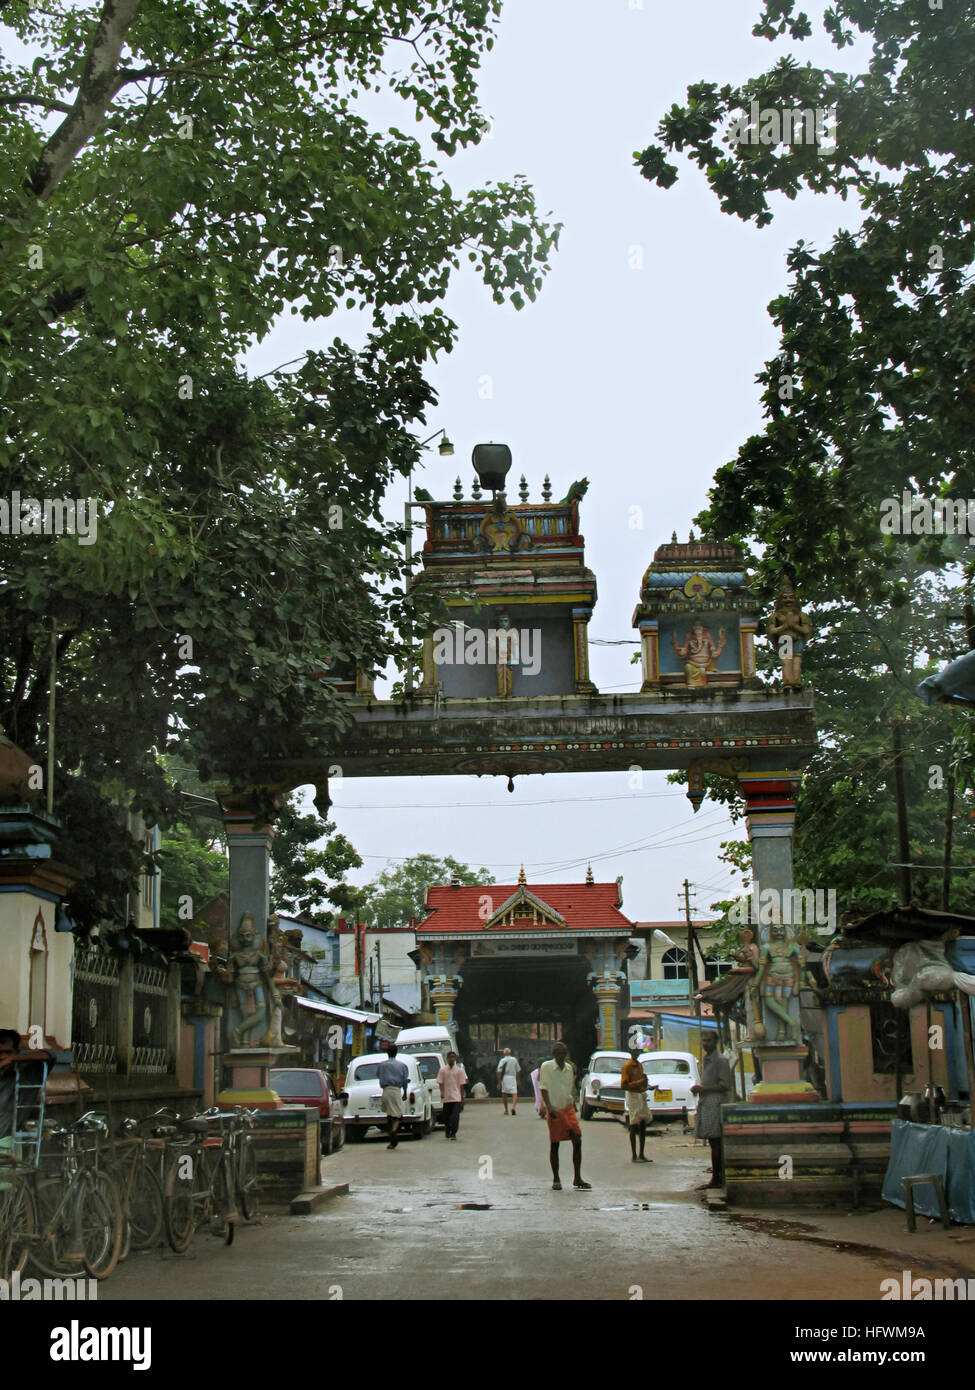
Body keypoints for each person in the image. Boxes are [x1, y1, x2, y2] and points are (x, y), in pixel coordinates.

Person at [539, 1042, 590, 1191]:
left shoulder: (569, 1069)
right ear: (554, 1054)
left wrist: (573, 1103)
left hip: (567, 1108)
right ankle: (556, 1178)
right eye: (558, 1053)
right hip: (554, 1108)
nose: (561, 1056)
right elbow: (544, 1088)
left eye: (564, 1053)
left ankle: (577, 1177)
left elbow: (570, 1088)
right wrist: (548, 1107)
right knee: (555, 1143)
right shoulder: (546, 1067)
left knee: (577, 1139)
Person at [691, 1032, 733, 1189]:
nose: (705, 1043)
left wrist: (703, 1088)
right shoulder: (707, 1059)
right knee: (712, 1141)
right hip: (706, 1102)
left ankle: (717, 1178)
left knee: (716, 1141)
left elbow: (724, 1085)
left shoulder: (720, 1061)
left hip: (715, 1103)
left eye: (708, 1040)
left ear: (715, 1041)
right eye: (703, 1040)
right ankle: (717, 1176)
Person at [0, 1028, 53, 1147]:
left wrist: (12, 1060)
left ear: (17, 1052)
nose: (3, 1056)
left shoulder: (27, 1072)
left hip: (7, 1142)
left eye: (8, 1052)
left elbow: (48, 1056)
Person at [621, 1044, 658, 1163]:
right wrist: (639, 1082)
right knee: (633, 1124)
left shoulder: (640, 1065)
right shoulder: (627, 1067)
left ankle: (641, 1154)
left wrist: (649, 1086)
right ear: (630, 1051)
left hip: (641, 1095)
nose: (636, 1052)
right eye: (634, 1050)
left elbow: (643, 1083)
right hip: (632, 1096)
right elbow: (624, 1085)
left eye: (638, 1050)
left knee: (643, 1124)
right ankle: (634, 1155)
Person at [377, 1043, 410, 1150]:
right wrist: (405, 1091)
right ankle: (394, 1131)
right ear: (396, 1053)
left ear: (387, 1053)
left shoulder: (382, 1065)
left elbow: (378, 1075)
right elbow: (405, 1079)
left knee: (389, 1113)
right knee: (397, 1115)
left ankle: (391, 1140)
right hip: (396, 1090)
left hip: (385, 1090)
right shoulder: (401, 1065)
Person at [436, 1051, 468, 1141]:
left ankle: (453, 1133)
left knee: (455, 1116)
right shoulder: (443, 1070)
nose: (451, 1059)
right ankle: (447, 1130)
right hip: (447, 1097)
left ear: (455, 1059)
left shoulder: (459, 1070)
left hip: (456, 1097)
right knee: (446, 1117)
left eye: (453, 1057)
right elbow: (440, 1082)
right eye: (450, 1057)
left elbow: (461, 1085)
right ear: (447, 1058)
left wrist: (462, 1097)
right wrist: (442, 1092)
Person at [497, 1047, 520, 1115]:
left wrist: (499, 1082)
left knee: (504, 1093)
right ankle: (513, 1107)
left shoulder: (502, 1060)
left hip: (505, 1078)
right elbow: (518, 1070)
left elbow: (499, 1071)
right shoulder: (514, 1059)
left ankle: (506, 1110)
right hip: (512, 1077)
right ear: (510, 1053)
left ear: (504, 1053)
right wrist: (518, 1080)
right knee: (514, 1093)